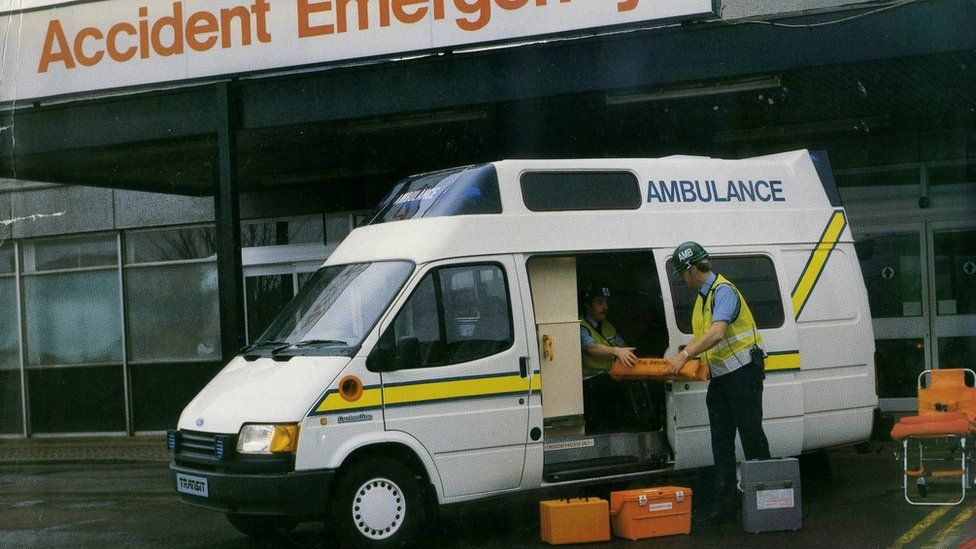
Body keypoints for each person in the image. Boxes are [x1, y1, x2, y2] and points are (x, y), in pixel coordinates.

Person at [665, 242, 771, 526]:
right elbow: (707, 340)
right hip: (722, 380)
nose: (681, 280)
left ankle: (768, 505)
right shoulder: (704, 297)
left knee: (752, 438)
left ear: (690, 269)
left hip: (743, 376)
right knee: (721, 443)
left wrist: (685, 354)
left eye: (681, 274)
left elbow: (717, 332)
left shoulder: (723, 291)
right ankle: (724, 508)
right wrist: (688, 362)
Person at [579, 282, 638, 432]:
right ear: (587, 306)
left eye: (606, 303)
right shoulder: (581, 326)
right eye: (599, 303)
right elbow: (591, 347)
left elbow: (622, 345)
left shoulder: (607, 325)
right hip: (590, 383)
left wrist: (625, 353)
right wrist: (616, 351)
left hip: (610, 378)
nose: (605, 307)